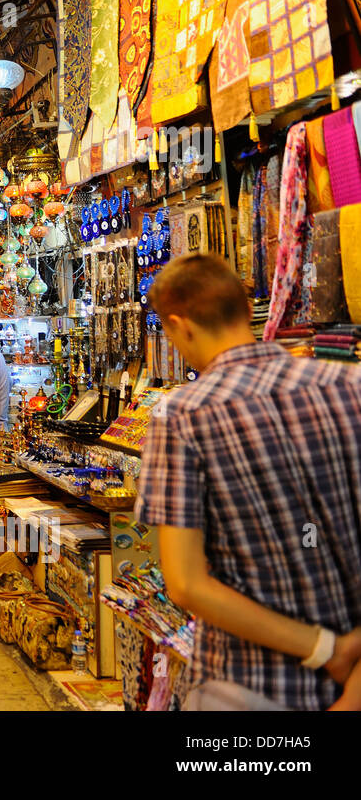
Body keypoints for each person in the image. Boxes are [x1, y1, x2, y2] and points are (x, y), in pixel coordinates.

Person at [137, 254, 361, 711]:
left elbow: (186, 585)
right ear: (244, 311)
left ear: (181, 326)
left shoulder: (182, 416)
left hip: (249, 682)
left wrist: (324, 648)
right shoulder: (351, 385)